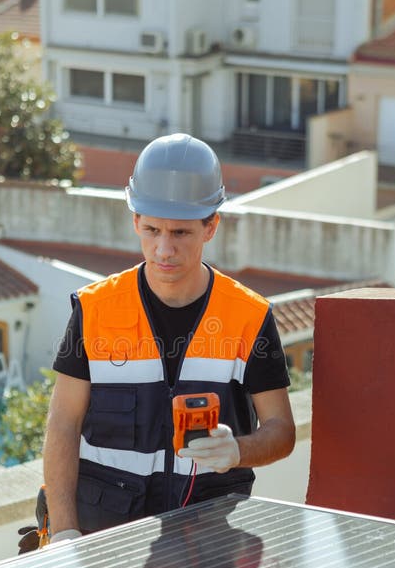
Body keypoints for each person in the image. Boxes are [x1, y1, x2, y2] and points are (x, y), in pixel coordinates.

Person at [42, 133, 295, 545]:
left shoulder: (249, 317)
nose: (163, 249)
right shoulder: (94, 309)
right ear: (135, 222)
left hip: (209, 537)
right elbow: (63, 425)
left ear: (211, 226)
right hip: (103, 534)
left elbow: (281, 430)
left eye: (180, 233)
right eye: (152, 229)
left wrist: (238, 450)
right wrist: (64, 531)